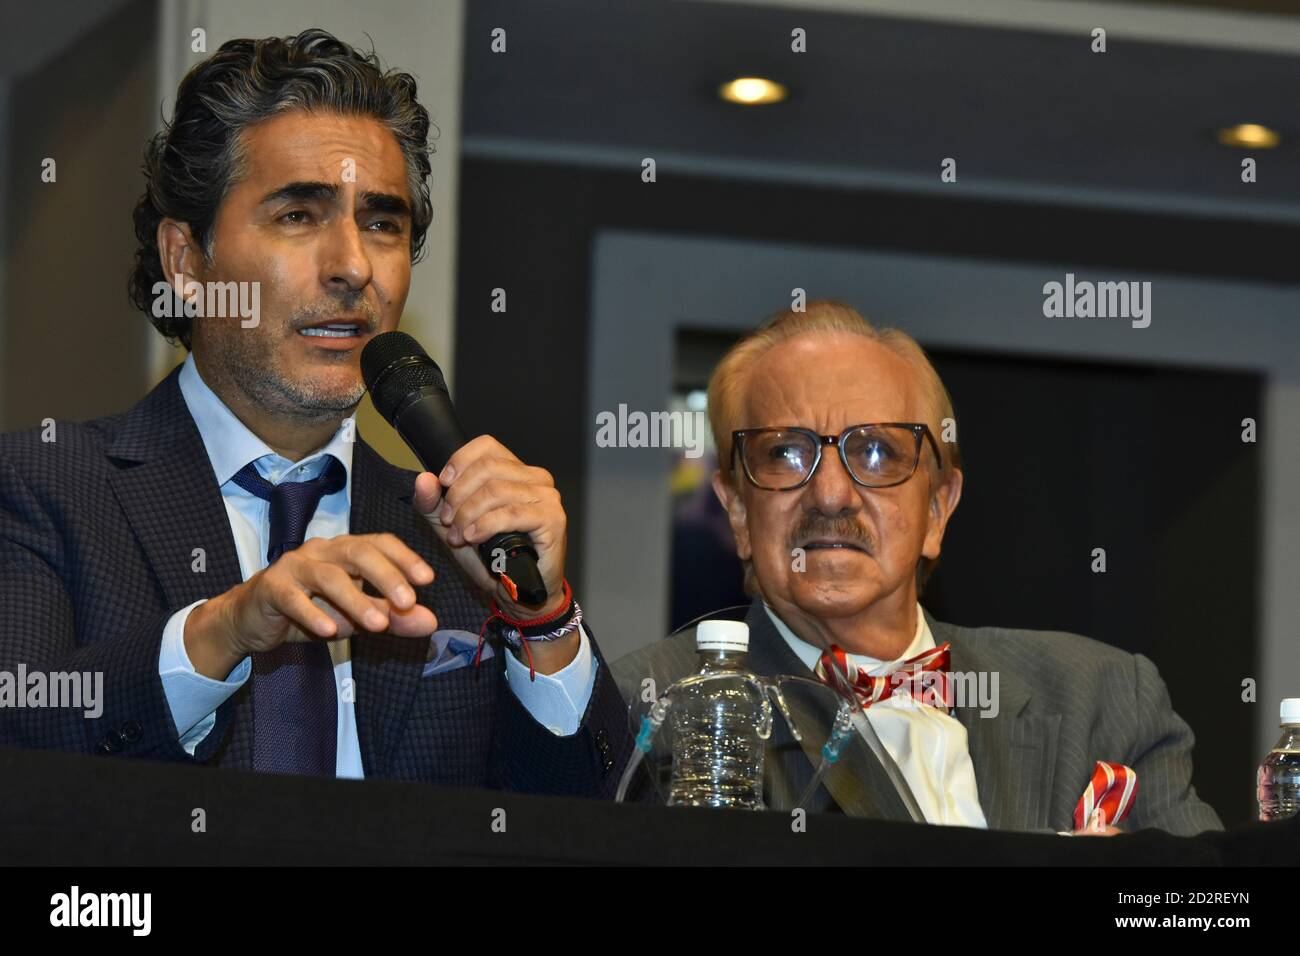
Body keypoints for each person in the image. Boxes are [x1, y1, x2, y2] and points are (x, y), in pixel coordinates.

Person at [0, 28, 630, 794]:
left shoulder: (456, 533)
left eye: (382, 222)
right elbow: (23, 727)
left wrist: (541, 617)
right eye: (299, 215)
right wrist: (225, 630)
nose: (353, 266)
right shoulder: (42, 484)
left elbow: (589, 811)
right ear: (186, 262)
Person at [612, 300, 1223, 834]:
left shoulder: (1105, 698)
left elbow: (1216, 913)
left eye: (876, 451)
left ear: (936, 510)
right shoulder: (648, 707)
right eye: (785, 453)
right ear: (739, 512)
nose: (830, 494)